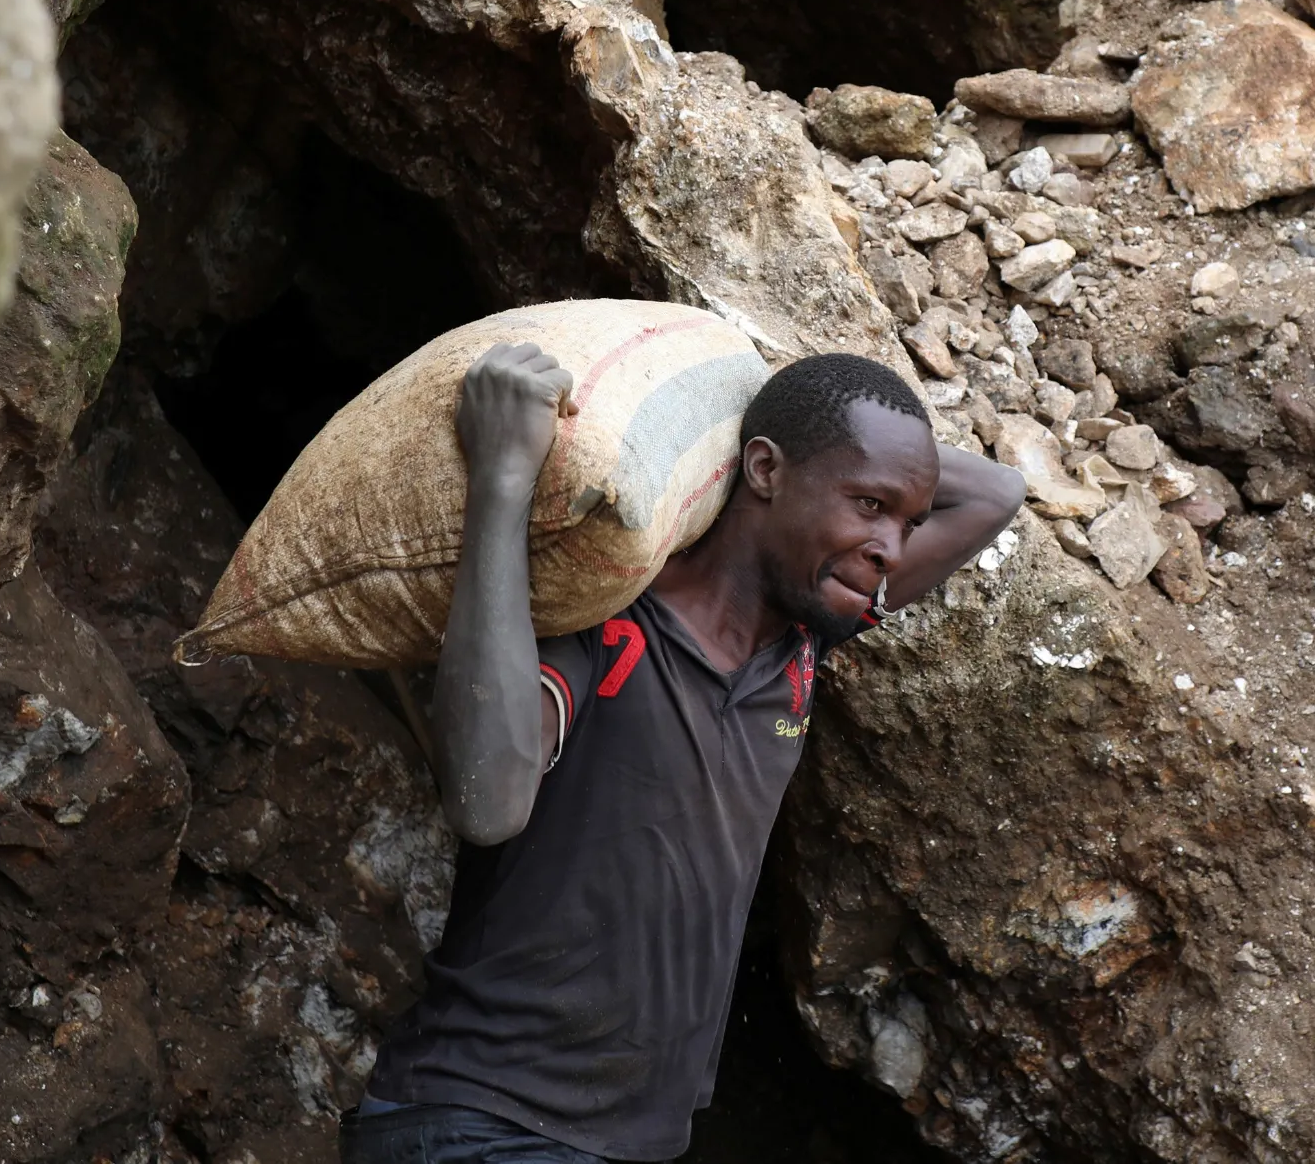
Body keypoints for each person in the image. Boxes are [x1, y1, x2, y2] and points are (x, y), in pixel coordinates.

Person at [345, 343, 1025, 1163]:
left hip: (629, 1144)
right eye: (869, 503)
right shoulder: (608, 624)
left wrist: (744, 407)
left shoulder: (799, 652)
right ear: (765, 472)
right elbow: (487, 801)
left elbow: (996, 493)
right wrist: (502, 483)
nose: (889, 548)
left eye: (907, 523)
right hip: (484, 1119)